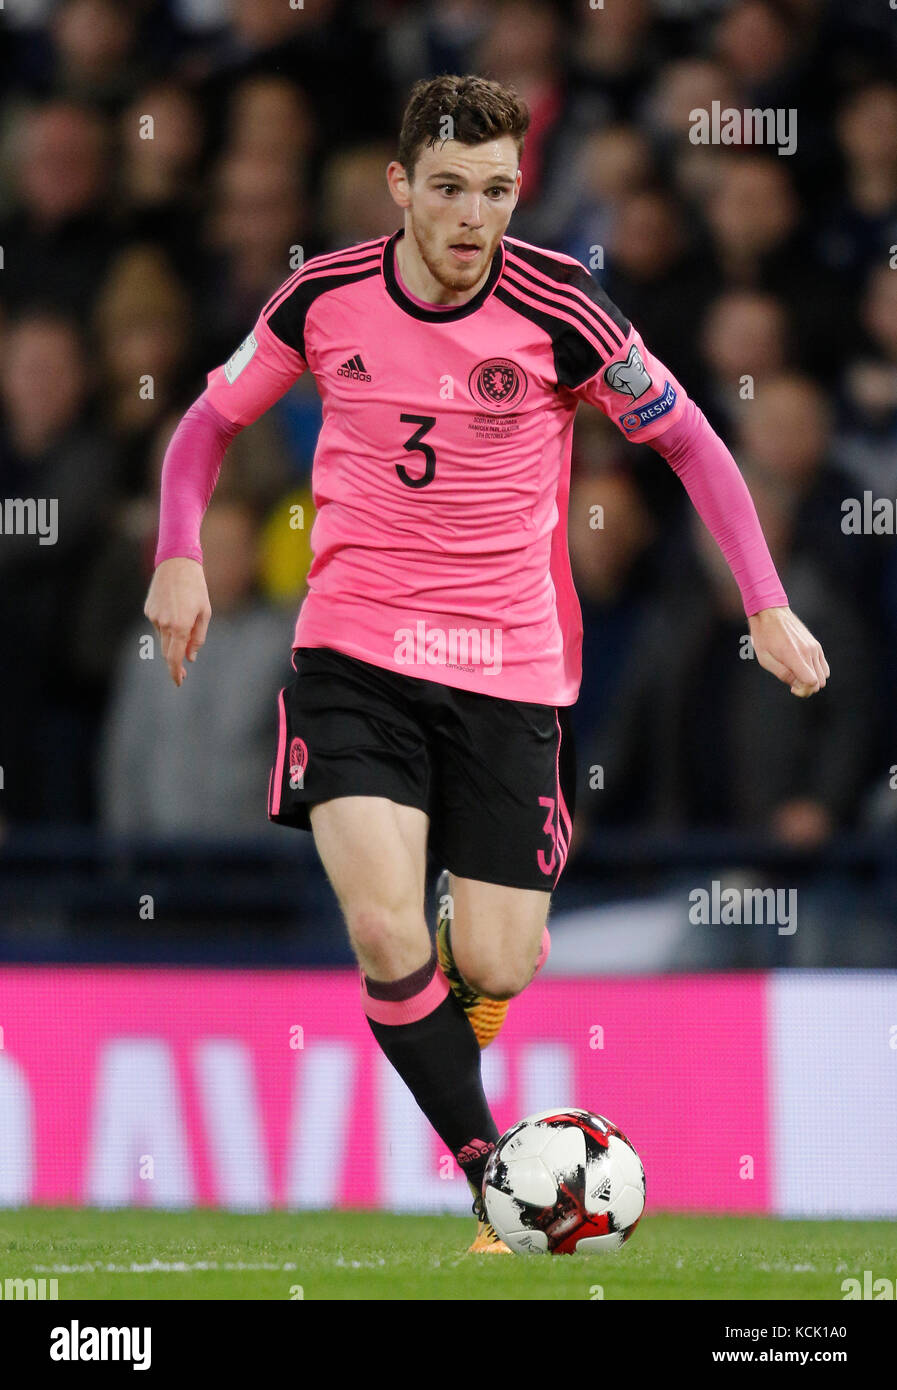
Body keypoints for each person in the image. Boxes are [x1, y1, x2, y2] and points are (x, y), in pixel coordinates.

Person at [144, 74, 828, 1252]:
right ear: (402, 185)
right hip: (354, 650)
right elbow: (207, 424)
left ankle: (478, 999)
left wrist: (765, 605)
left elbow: (692, 442)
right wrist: (179, 557)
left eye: (500, 191)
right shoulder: (323, 297)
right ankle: (494, 1172)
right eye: (450, 188)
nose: (474, 217)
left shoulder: (565, 309)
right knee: (381, 926)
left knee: (499, 957)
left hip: (510, 670)